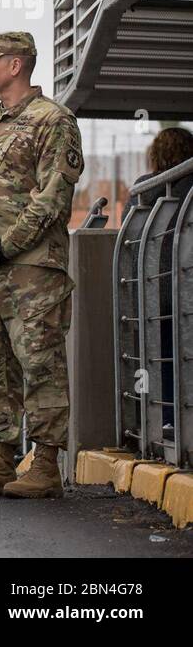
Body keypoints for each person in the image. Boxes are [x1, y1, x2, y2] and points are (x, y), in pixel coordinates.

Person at [0, 32, 83, 500]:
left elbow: (52, 198)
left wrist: (4, 248)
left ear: (16, 64)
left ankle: (45, 464)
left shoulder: (54, 121)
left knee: (40, 361)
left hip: (31, 267)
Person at [120, 126, 193, 437]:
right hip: (187, 288)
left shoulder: (144, 188)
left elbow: (126, 233)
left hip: (150, 291)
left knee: (157, 356)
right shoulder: (190, 189)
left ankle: (164, 420)